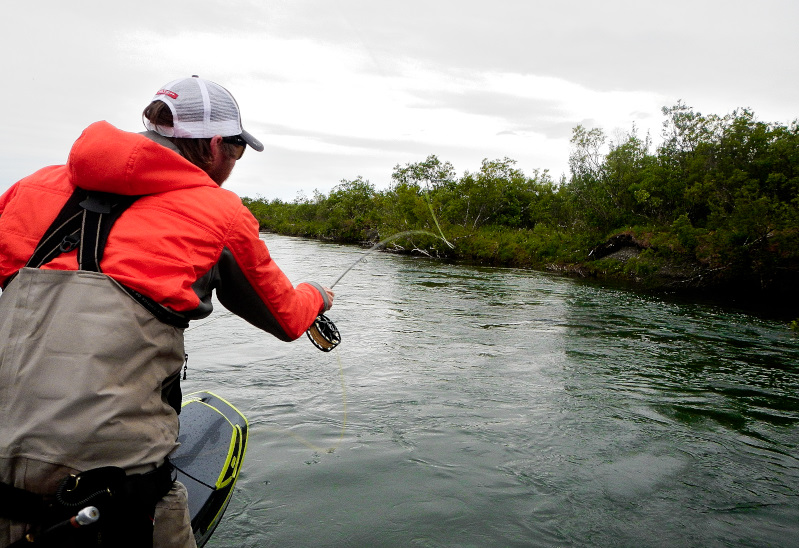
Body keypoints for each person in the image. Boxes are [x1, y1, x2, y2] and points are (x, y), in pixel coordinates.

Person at [0, 76, 334, 547]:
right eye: (236, 152)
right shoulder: (221, 214)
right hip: (116, 499)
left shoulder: (28, 188)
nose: (232, 165)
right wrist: (317, 293)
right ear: (215, 145)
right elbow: (288, 319)